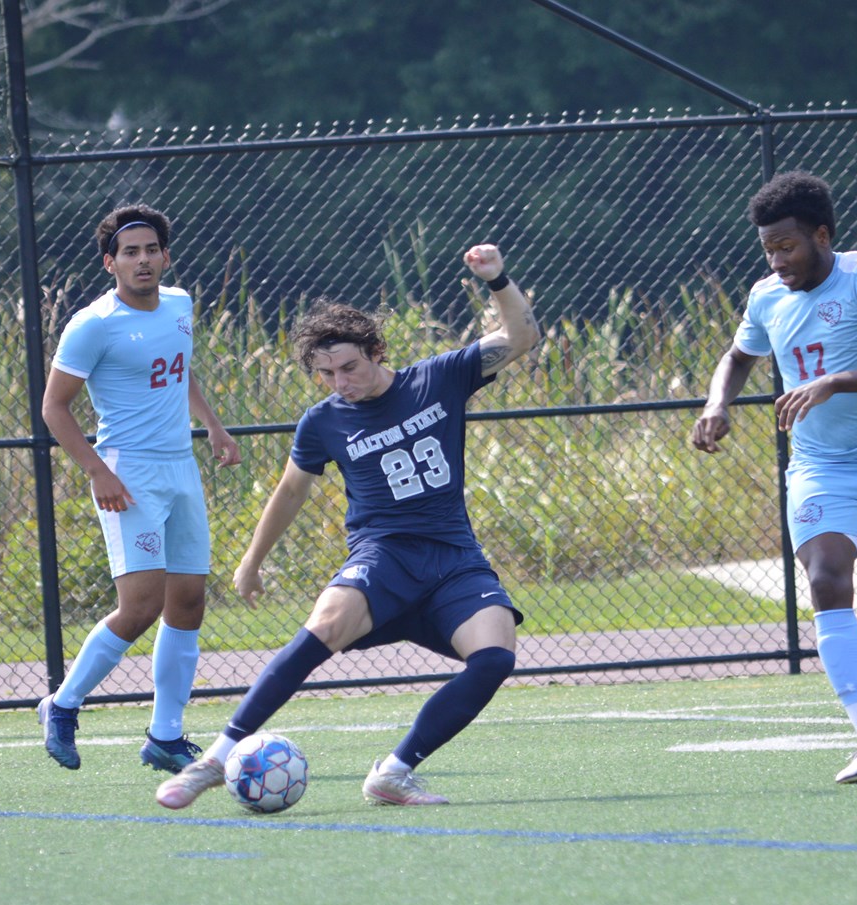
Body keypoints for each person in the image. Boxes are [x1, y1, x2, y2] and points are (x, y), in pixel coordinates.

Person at [156, 242, 541, 810]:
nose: (341, 381)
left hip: (453, 557)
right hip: (383, 555)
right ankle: (215, 760)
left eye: (350, 367)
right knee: (326, 625)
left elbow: (521, 338)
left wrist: (497, 280)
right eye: (327, 373)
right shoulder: (323, 422)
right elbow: (291, 490)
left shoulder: (438, 379)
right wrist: (251, 560)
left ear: (376, 352)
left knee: (496, 657)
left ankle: (394, 772)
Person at [691, 171, 857, 784]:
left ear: (822, 235)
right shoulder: (765, 297)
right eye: (768, 250)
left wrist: (833, 380)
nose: (777, 261)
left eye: (788, 247)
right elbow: (739, 355)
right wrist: (717, 402)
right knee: (828, 579)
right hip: (821, 468)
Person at [37, 204, 241, 772]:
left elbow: (180, 369)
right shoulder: (92, 324)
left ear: (166, 256)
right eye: (131, 252)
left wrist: (213, 424)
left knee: (189, 603)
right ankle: (62, 704)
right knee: (141, 605)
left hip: (181, 469)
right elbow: (54, 408)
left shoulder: (179, 305)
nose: (143, 259)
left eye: (152, 249)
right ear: (111, 262)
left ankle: (166, 737)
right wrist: (98, 471)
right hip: (130, 473)